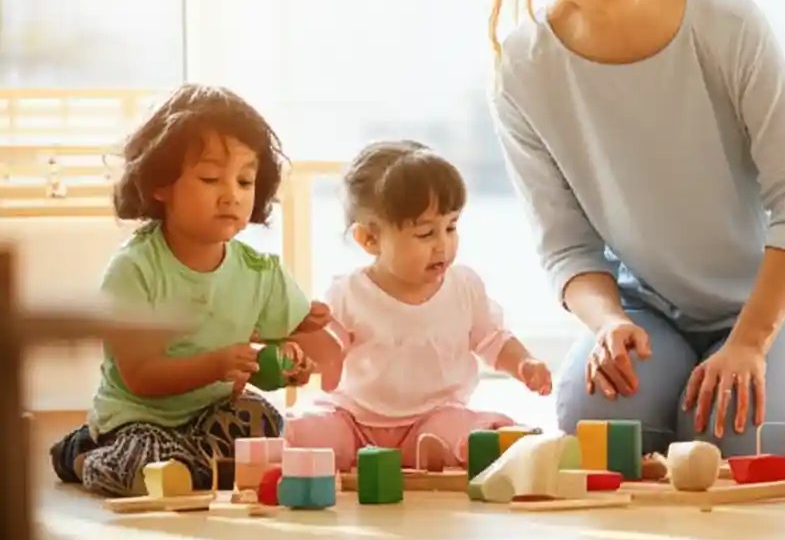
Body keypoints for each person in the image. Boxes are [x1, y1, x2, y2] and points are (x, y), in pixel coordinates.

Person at [486, 0, 785, 461]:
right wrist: (607, 324)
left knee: (730, 443)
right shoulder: (522, 74)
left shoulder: (728, 24)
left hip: (781, 299)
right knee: (600, 429)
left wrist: (751, 342)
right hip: (650, 307)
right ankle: (687, 379)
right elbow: (566, 246)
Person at [48, 84, 327, 497]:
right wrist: (215, 365)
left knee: (265, 420)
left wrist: (291, 363)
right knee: (141, 459)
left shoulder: (260, 272)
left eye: (246, 180)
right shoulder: (134, 269)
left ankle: (186, 466)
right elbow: (140, 377)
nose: (231, 194)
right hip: (137, 418)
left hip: (209, 416)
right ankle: (84, 452)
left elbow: (285, 349)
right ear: (161, 184)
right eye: (211, 177)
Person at [284, 141, 552, 471]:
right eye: (426, 233)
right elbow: (328, 349)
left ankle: (461, 450)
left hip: (433, 417)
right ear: (370, 240)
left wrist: (523, 362)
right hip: (352, 420)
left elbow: (492, 339)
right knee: (309, 431)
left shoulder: (464, 287)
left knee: (463, 430)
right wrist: (305, 359)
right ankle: (279, 442)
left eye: (451, 227)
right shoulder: (348, 292)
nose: (443, 244)